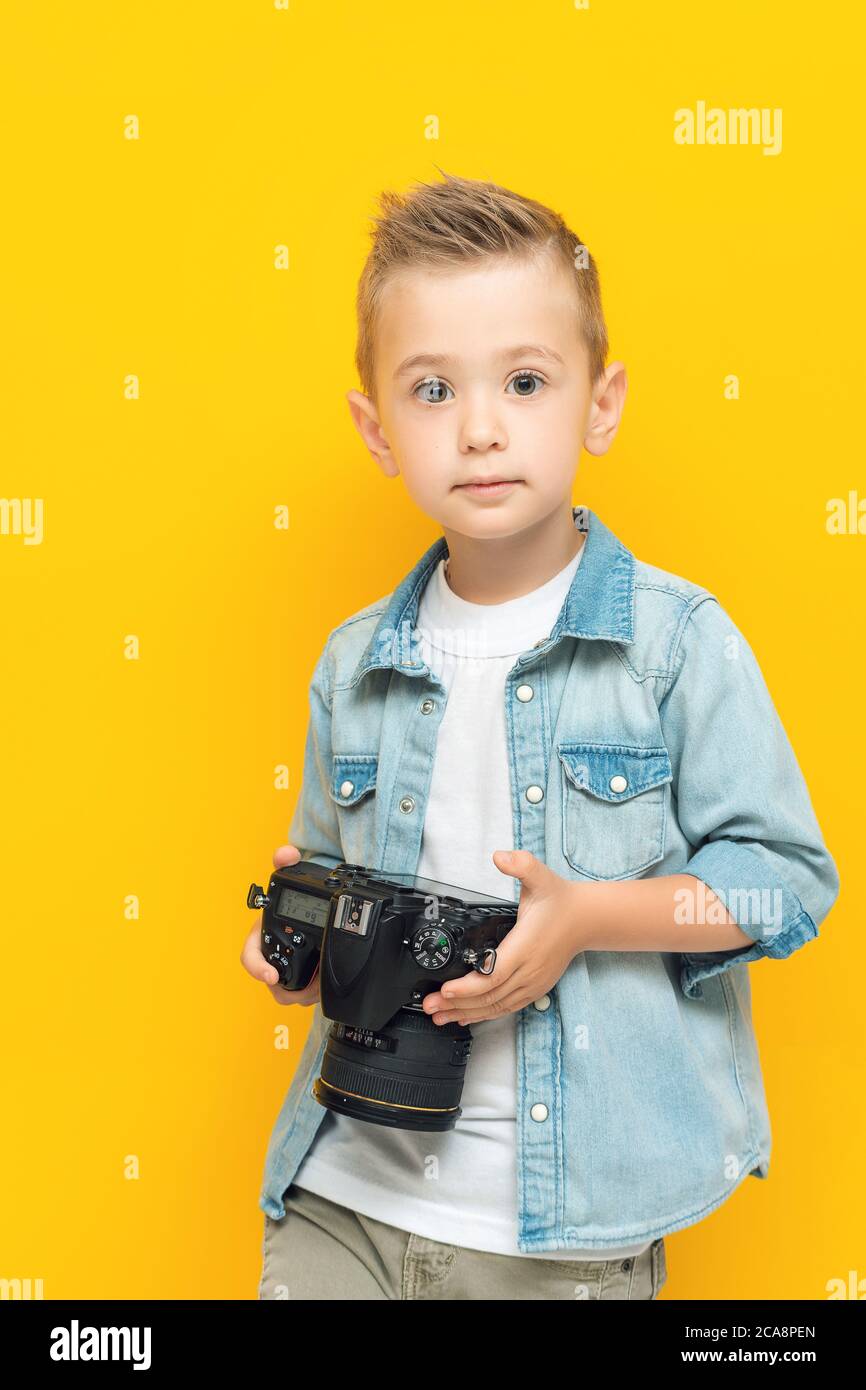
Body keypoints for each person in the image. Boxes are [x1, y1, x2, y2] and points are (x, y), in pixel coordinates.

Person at [241, 171, 839, 1301]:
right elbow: (322, 874)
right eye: (430, 390)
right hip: (347, 1199)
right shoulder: (349, 661)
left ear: (599, 404)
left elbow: (784, 884)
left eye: (523, 381)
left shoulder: (671, 643)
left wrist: (587, 919)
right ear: (375, 427)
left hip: (566, 1237)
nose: (477, 428)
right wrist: (300, 936)